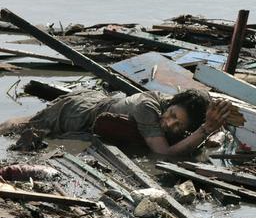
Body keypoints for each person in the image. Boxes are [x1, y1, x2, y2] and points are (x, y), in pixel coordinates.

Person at [0, 88, 231, 156]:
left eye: (178, 125)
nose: (169, 124)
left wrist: (214, 130)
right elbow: (163, 153)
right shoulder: (147, 107)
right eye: (171, 114)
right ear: (169, 104)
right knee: (28, 126)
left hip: (102, 101)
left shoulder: (176, 109)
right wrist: (206, 130)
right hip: (79, 113)